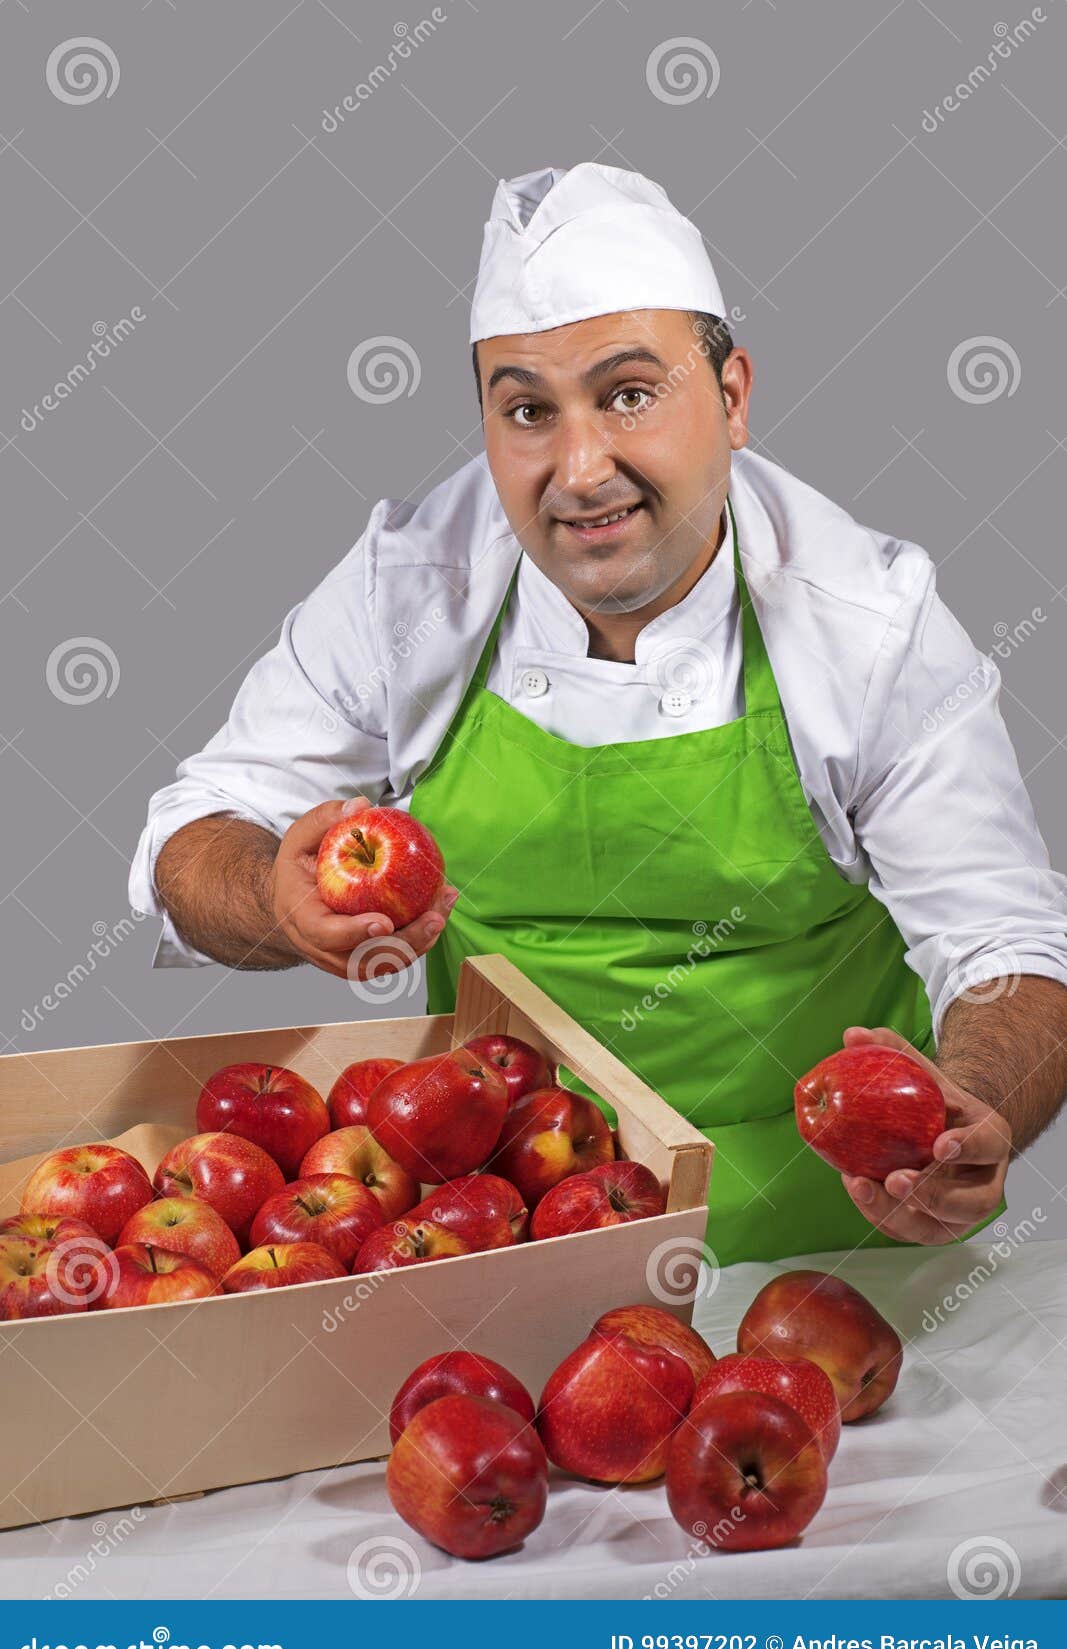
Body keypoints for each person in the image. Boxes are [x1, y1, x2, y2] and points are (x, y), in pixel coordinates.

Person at [130, 162, 1067, 1265]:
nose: (579, 470)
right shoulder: (411, 588)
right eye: (527, 410)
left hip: (832, 1253)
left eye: (629, 393)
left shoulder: (866, 625)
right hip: (502, 1248)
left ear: (729, 396)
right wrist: (270, 897)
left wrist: (963, 1110)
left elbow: (1006, 946)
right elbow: (195, 833)